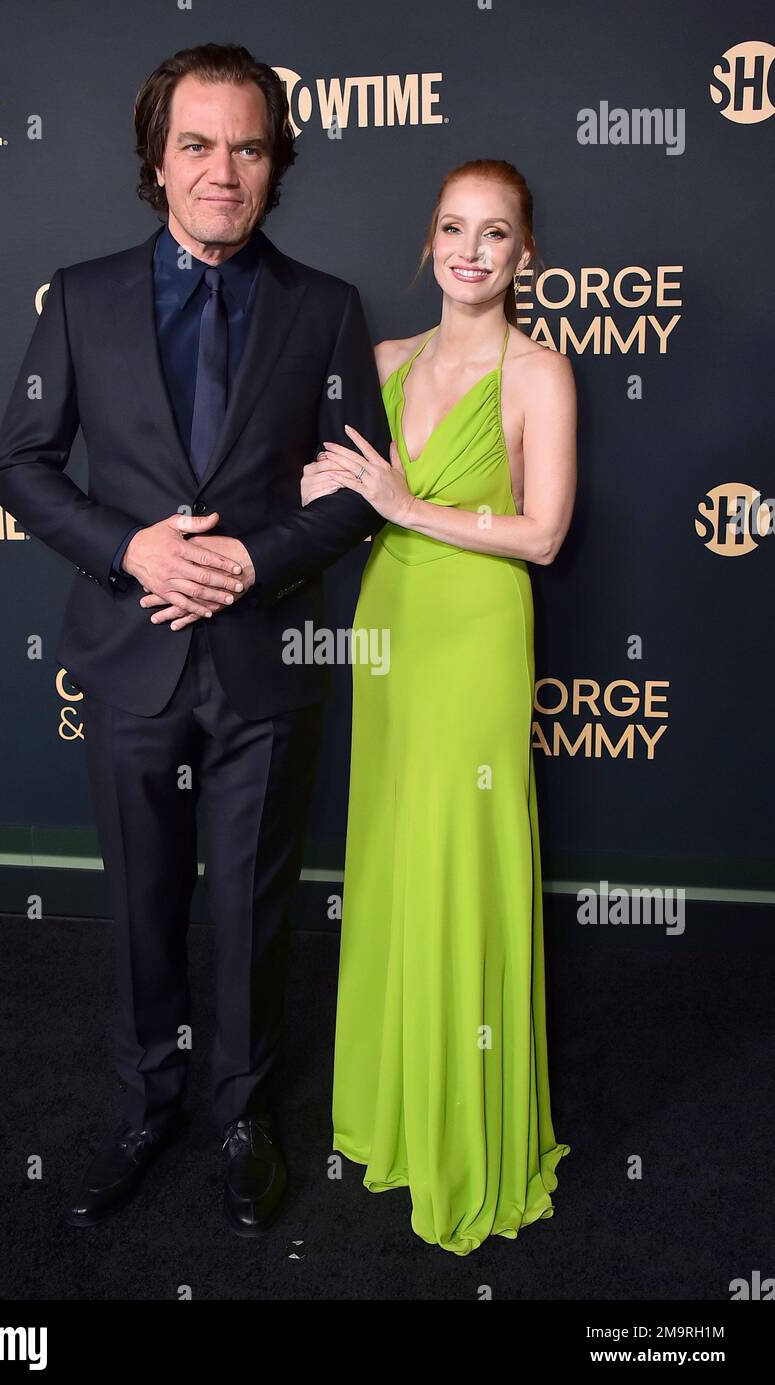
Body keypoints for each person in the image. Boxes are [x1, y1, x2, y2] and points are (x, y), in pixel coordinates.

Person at [0, 42, 390, 1235]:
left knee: (255, 910)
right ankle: (147, 1106)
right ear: (157, 162)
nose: (224, 170)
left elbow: (362, 492)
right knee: (142, 905)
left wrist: (254, 561)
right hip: (132, 657)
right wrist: (134, 548)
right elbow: (19, 464)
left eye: (249, 148)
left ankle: (243, 1114)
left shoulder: (327, 307)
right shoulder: (83, 296)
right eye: (198, 145)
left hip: (267, 663)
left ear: (277, 165)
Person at [301, 160, 576, 1255]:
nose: (471, 251)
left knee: (460, 854)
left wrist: (404, 503)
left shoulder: (540, 373)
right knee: (392, 847)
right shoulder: (382, 360)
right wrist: (325, 493)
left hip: (474, 633)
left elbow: (543, 534)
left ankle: (466, 1130)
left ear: (524, 254)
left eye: (494, 233)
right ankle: (394, 1109)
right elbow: (350, 499)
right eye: (454, 229)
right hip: (391, 627)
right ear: (429, 241)